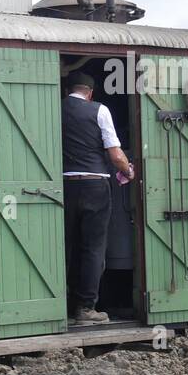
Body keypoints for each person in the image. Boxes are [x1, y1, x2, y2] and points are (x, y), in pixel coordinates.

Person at [62, 74, 134, 325]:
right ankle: (85, 309)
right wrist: (128, 170)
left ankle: (62, 305)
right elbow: (115, 154)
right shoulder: (99, 110)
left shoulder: (55, 107)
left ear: (68, 89)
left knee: (66, 247)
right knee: (93, 249)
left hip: (63, 186)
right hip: (95, 185)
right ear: (90, 93)